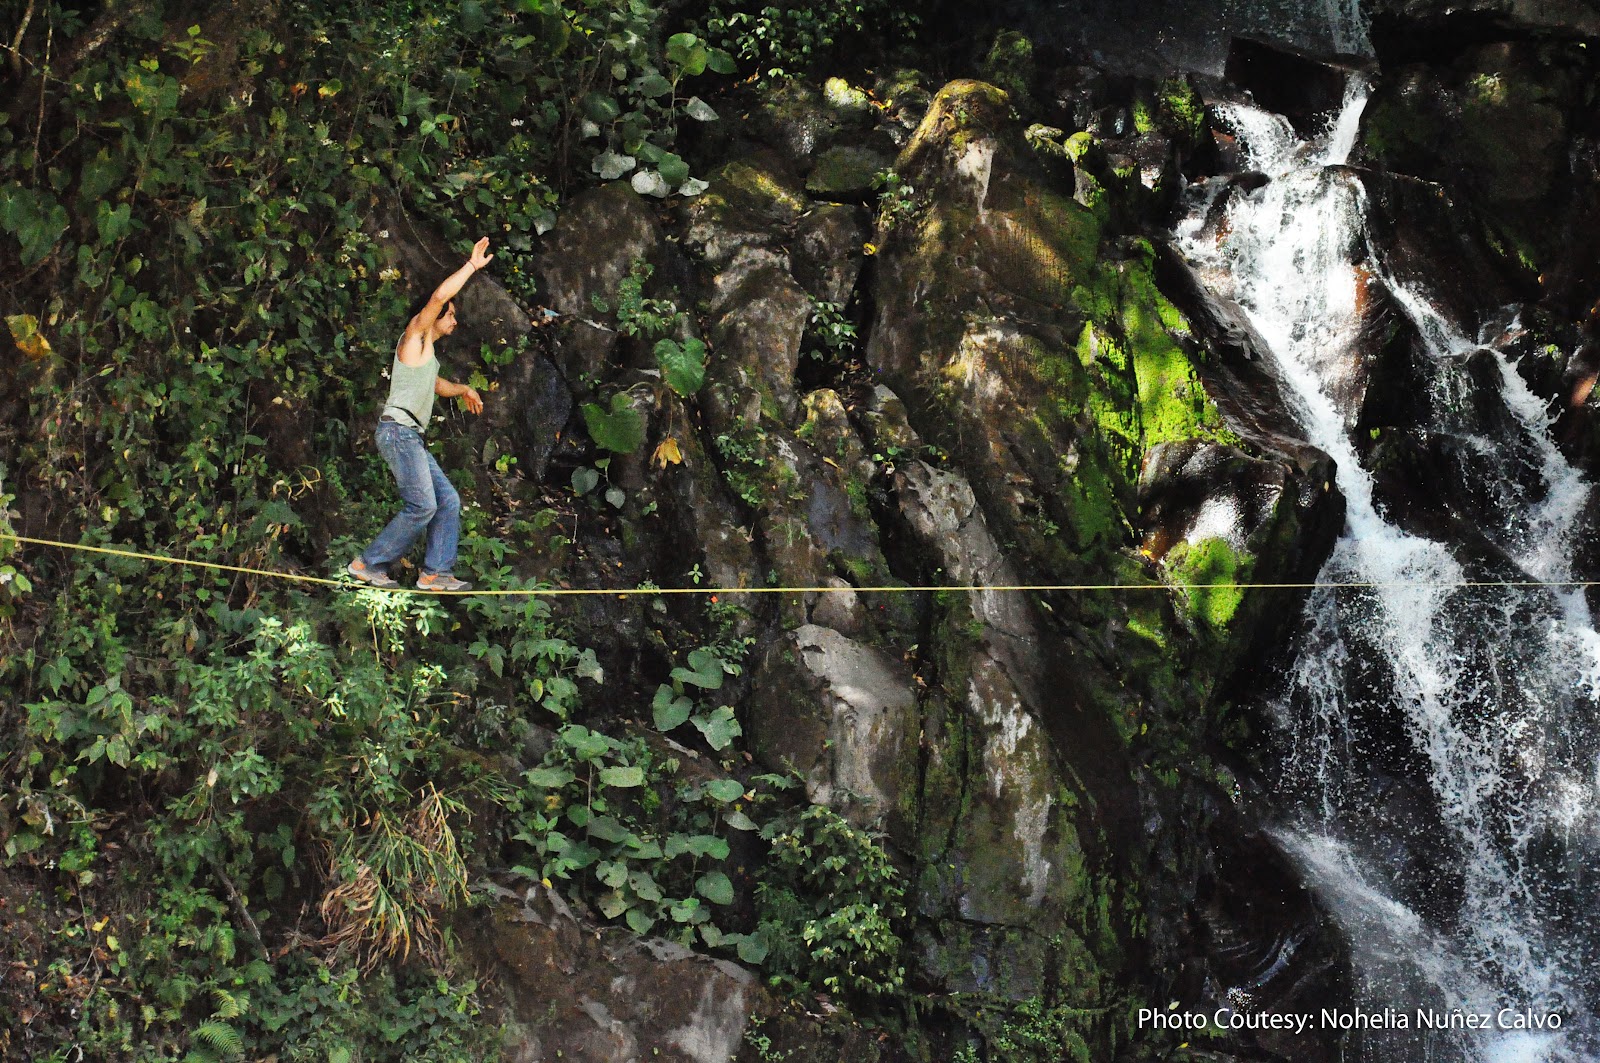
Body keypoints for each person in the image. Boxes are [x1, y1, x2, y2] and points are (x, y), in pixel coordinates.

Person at [347, 238, 492, 592]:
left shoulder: (425, 358)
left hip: (409, 436)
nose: (454, 320)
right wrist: (470, 267)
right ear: (436, 317)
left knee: (447, 501)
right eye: (451, 315)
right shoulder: (414, 335)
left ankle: (434, 573)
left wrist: (463, 389)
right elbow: (439, 297)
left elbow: (435, 384)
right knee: (423, 505)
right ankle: (367, 563)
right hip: (398, 432)